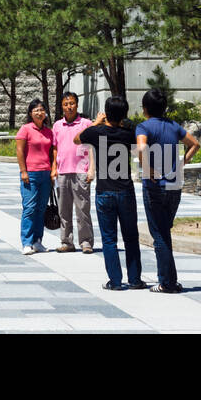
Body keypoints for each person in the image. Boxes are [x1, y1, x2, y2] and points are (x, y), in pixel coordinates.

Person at [136, 87, 201, 293]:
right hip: (175, 186)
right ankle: (170, 280)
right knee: (165, 232)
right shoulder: (174, 127)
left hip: (155, 187)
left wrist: (148, 168)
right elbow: (195, 144)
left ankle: (167, 282)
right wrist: (183, 163)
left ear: (145, 108)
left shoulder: (143, 127)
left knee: (160, 235)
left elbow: (140, 148)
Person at [76, 96, 145, 290]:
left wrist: (97, 122)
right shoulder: (128, 134)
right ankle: (134, 279)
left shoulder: (96, 132)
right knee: (131, 237)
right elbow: (138, 150)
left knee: (108, 239)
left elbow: (76, 139)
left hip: (104, 191)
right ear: (124, 114)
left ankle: (115, 281)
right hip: (125, 191)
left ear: (106, 112)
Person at [50, 93, 94, 253]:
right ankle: (67, 242)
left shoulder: (86, 123)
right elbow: (55, 148)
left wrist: (91, 169)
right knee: (64, 210)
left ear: (77, 105)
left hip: (81, 172)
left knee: (83, 209)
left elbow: (91, 147)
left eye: (72, 103)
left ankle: (86, 242)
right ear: (62, 106)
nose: (69, 106)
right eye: (66, 104)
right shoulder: (57, 126)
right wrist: (54, 167)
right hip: (62, 172)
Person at [15, 99, 54, 255]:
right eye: (36, 110)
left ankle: (38, 241)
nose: (39, 113)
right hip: (30, 173)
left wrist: (53, 170)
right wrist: (23, 171)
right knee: (29, 208)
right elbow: (19, 151)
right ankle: (26, 242)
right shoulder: (25, 129)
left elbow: (52, 152)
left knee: (41, 209)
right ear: (30, 113)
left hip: (45, 173)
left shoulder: (48, 131)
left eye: (42, 110)